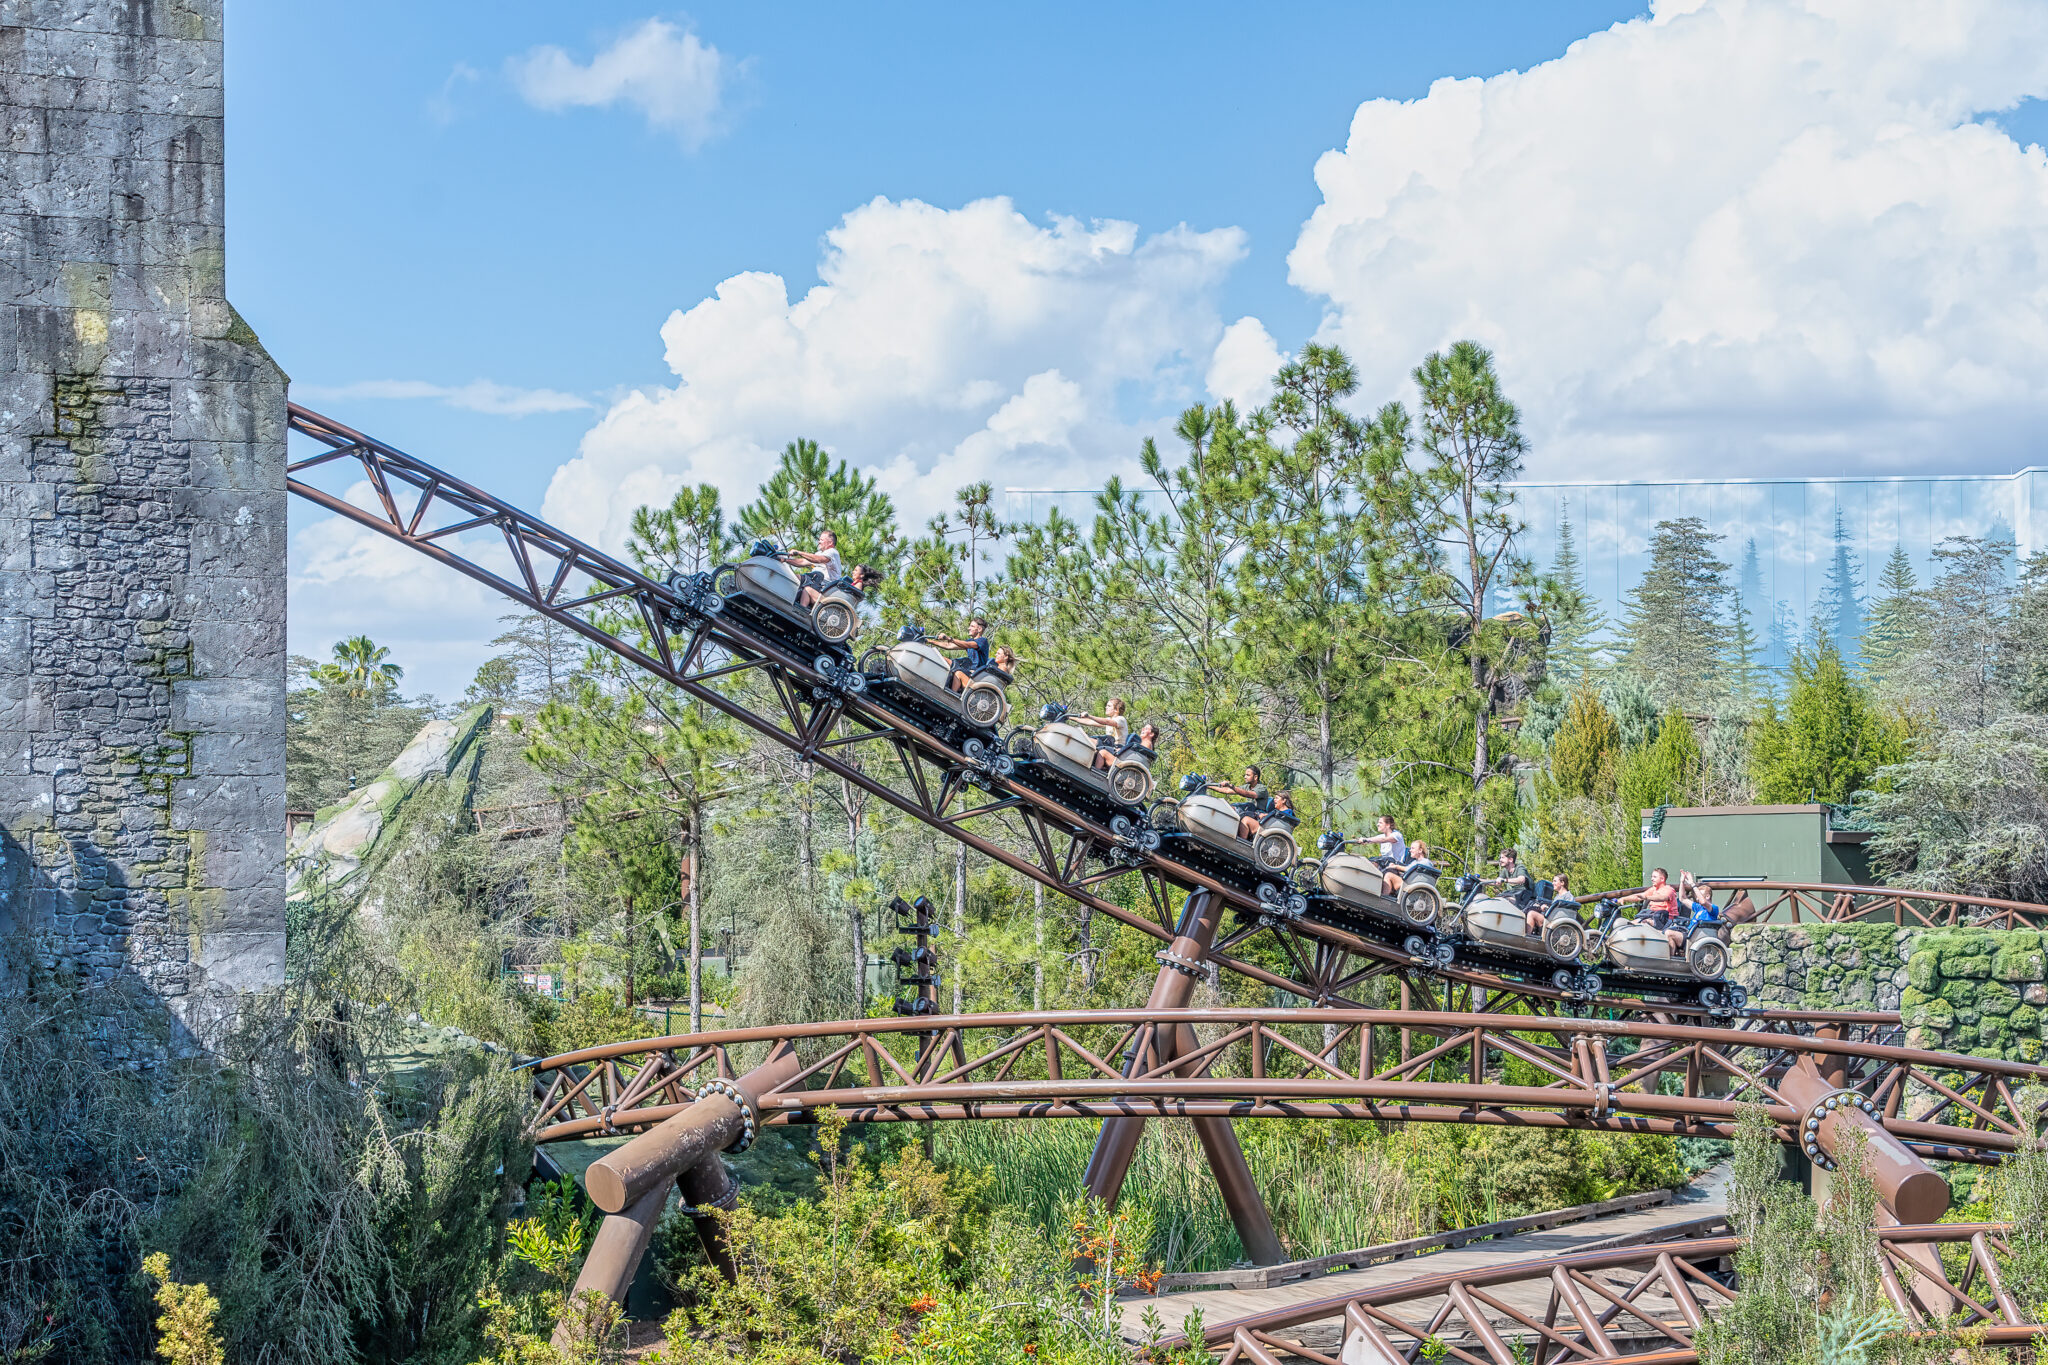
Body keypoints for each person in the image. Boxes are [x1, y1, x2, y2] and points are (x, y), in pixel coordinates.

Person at [1620, 867, 1684, 957]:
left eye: (1654, 877)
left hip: (1667, 920)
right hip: (1655, 917)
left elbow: (1662, 897)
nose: (1652, 879)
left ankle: (1667, 957)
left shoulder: (1668, 890)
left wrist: (1647, 897)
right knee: (1631, 924)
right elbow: (1639, 896)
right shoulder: (1653, 889)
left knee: (1644, 922)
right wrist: (1624, 899)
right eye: (1651, 877)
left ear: (1662, 879)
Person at [928, 616, 992, 691]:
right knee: (942, 659)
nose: (969, 628)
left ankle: (950, 695)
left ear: (979, 629)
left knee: (958, 673)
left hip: (974, 676)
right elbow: (948, 645)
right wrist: (929, 641)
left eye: (972, 626)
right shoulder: (969, 641)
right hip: (967, 671)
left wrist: (949, 639)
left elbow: (968, 645)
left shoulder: (982, 641)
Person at [1209, 765, 1273, 840]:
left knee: (1240, 808)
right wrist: (1208, 786)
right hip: (1249, 810)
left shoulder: (1262, 788)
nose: (1245, 777)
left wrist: (1231, 786)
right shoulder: (1247, 786)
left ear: (1255, 777)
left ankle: (1238, 842)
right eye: (1245, 775)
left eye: (1248, 775)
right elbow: (1227, 790)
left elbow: (1249, 794)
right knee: (1229, 807)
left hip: (1257, 814)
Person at [781, 529, 842, 600]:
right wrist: (785, 560)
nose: (819, 542)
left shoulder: (832, 552)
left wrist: (799, 552)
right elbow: (802, 562)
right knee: (792, 577)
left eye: (821, 540)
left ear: (830, 542)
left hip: (824, 586)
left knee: (795, 578)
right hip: (814, 581)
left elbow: (818, 559)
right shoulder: (820, 553)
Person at [1071, 697, 1130, 768]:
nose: (1106, 707)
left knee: (1092, 742)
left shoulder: (1120, 719)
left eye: (1109, 706)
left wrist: (1089, 716)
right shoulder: (1110, 719)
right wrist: (1070, 717)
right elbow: (1089, 722)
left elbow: (1107, 722)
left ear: (1116, 709)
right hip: (1109, 744)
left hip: (1116, 748)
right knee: (1087, 739)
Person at [802, 562, 881, 610]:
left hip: (832, 603)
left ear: (862, 575)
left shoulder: (859, 584)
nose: (853, 572)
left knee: (807, 589)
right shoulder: (855, 583)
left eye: (856, 570)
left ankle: (802, 610)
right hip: (832, 601)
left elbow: (852, 594)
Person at [1532, 871, 1582, 937]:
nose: (1552, 883)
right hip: (1552, 919)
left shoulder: (1568, 896)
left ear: (1562, 883)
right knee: (1531, 909)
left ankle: (1526, 937)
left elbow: (1565, 912)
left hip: (1556, 922)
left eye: (1555, 881)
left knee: (1531, 914)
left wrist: (1547, 908)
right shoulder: (1557, 896)